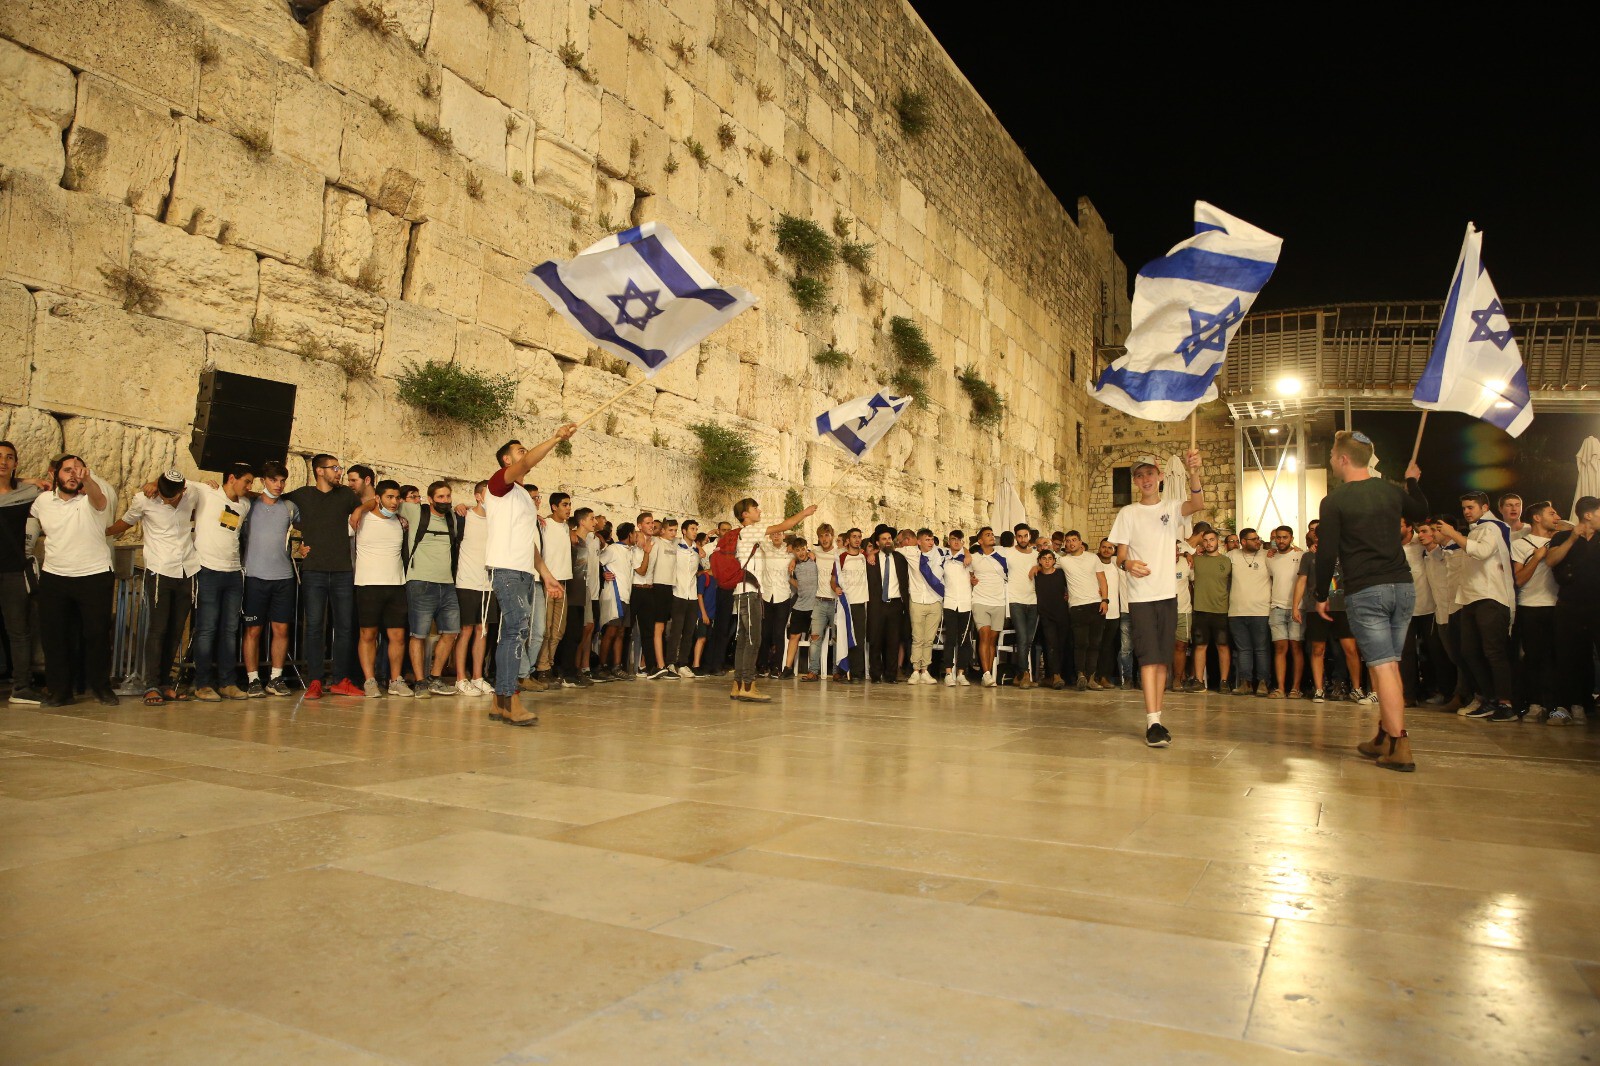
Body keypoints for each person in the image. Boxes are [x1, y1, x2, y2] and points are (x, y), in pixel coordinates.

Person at [1313, 430, 1428, 770]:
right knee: (1389, 664)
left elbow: (1327, 553)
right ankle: (1382, 735)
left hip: (1367, 590)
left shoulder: (1334, 500)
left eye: (1333, 456)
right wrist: (1412, 481)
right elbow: (1421, 509)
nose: (1332, 461)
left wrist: (1322, 594)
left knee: (1383, 666)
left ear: (1344, 459)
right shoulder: (1391, 490)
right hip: (1402, 587)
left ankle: (1399, 743)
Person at [1109, 451, 1206, 746]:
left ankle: (1158, 719)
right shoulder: (1128, 513)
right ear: (1136, 481)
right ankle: (1152, 722)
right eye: (1139, 475)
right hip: (1141, 597)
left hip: (1168, 595)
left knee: (1162, 659)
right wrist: (1128, 565)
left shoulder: (1172, 507)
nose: (1145, 479)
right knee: (1148, 658)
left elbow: (1198, 503)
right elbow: (1120, 555)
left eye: (1150, 473)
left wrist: (1193, 472)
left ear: (1160, 476)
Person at [483, 432, 571, 725]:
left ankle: (499, 701)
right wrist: (556, 438)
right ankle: (511, 698)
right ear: (507, 461)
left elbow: (527, 542)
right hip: (506, 569)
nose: (526, 454)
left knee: (513, 632)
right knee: (515, 632)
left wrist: (546, 574)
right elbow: (527, 463)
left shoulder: (522, 496)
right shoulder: (499, 484)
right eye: (520, 451)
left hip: (523, 570)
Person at [31, 455, 117, 706]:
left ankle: (101, 688)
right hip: (55, 576)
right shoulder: (43, 501)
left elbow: (99, 500)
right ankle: (59, 690)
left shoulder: (92, 498)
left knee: (97, 634)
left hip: (94, 575)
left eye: (78, 470)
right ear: (55, 474)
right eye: (67, 470)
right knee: (54, 636)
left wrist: (87, 480)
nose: (73, 475)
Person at [105, 469, 195, 705]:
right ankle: (151, 684)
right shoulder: (144, 499)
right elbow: (126, 522)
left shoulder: (191, 493)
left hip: (187, 570)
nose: (164, 500)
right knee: (158, 629)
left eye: (170, 497)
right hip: (159, 571)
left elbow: (208, 488)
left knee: (176, 630)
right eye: (163, 494)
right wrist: (101, 532)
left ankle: (165, 682)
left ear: (182, 490)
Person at [1431, 491, 1517, 721]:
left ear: (1484, 507)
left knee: (1494, 652)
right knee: (1468, 652)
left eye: (1471, 507)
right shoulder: (1476, 530)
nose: (1467, 512)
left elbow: (1481, 552)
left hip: (1491, 598)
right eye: (1464, 508)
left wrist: (1453, 534)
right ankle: (1488, 698)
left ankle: (1505, 703)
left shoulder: (1493, 527)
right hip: (1469, 599)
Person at [286, 455, 363, 700]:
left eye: (339, 468)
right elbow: (270, 500)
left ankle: (341, 679)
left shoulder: (346, 496)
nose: (339, 472)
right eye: (335, 468)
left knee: (344, 627)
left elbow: (371, 502)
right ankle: (315, 680)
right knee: (315, 628)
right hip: (314, 570)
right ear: (320, 471)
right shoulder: (303, 494)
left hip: (341, 570)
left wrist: (360, 508)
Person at [724, 496, 816, 702]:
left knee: (743, 640)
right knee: (753, 639)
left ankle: (738, 685)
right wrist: (805, 513)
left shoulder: (743, 534)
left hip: (743, 591)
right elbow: (784, 525)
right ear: (745, 514)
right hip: (749, 592)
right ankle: (748, 685)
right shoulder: (749, 530)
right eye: (755, 508)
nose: (759, 510)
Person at [190, 463, 254, 702]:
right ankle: (203, 682)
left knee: (230, 630)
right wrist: (154, 484)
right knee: (206, 628)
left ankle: (227, 681)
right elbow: (174, 483)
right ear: (231, 477)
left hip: (233, 572)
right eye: (246, 482)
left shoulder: (245, 504)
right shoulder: (207, 492)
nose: (249, 487)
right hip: (208, 569)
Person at [238, 461, 299, 698]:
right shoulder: (248, 505)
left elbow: (309, 528)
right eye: (274, 480)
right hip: (254, 576)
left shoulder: (290, 507)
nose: (279, 485)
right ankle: (253, 679)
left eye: (282, 480)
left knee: (281, 629)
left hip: (283, 577)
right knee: (253, 629)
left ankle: (275, 677)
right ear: (264, 480)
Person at [400, 481, 462, 698]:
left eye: (448, 496)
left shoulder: (452, 517)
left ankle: (435, 678)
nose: (445, 501)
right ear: (430, 499)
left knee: (452, 631)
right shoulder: (415, 511)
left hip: (447, 584)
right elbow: (384, 502)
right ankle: (419, 682)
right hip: (420, 582)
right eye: (440, 497)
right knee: (419, 634)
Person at [351, 480, 411, 698]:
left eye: (397, 497)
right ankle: (370, 680)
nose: (394, 502)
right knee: (368, 634)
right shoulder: (362, 518)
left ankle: (395, 680)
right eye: (389, 497)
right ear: (378, 498)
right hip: (368, 584)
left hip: (396, 585)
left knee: (398, 635)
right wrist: (361, 507)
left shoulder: (401, 521)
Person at [1543, 496, 1600, 725]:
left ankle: (1586, 704)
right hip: (1569, 605)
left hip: (1598, 606)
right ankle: (1566, 706)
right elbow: (1551, 561)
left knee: (1591, 658)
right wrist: (1573, 537)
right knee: (1568, 657)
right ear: (1588, 515)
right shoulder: (1563, 536)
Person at [1510, 501, 1561, 721]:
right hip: (1531, 606)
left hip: (1559, 606)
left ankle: (1556, 706)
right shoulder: (1520, 544)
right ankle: (1534, 703)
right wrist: (1538, 557)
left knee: (1556, 658)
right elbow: (1518, 579)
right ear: (1537, 518)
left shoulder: (1561, 541)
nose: (1557, 516)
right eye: (1552, 513)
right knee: (1534, 657)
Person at [0, 442, 42, 703]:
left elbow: (50, 486)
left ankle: (22, 686)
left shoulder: (26, 494)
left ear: (16, 463)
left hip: (13, 571)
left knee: (19, 631)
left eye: (9, 458)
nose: (3, 462)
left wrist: (27, 479)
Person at [452, 481, 494, 696]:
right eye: (488, 494)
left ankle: (478, 676)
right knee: (466, 630)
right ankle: (461, 678)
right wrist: (462, 506)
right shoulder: (464, 517)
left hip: (489, 583)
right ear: (478, 496)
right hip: (467, 582)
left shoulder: (497, 521)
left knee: (482, 630)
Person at [1225, 528, 1272, 696]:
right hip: (1237, 611)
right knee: (1243, 649)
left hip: (1261, 611)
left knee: (1261, 649)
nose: (1257, 541)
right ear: (1243, 541)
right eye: (1253, 539)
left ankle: (1262, 683)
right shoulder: (1232, 556)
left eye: (1258, 538)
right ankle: (1245, 683)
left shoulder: (1268, 555)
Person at [534, 492, 575, 684]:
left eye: (569, 504)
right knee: (546, 627)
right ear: (554, 507)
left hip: (564, 582)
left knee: (559, 629)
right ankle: (541, 667)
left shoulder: (567, 527)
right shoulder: (544, 524)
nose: (568, 508)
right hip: (548, 581)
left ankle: (549, 665)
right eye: (564, 504)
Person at [1057, 530, 1107, 690]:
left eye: (1074, 540)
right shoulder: (1063, 561)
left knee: (1095, 643)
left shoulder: (1093, 558)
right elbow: (1046, 562)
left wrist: (1105, 600)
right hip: (1077, 607)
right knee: (1080, 643)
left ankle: (1092, 677)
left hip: (1096, 604)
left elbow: (1102, 580)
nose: (1071, 543)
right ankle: (1081, 675)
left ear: (1080, 542)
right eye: (1068, 541)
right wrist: (1035, 568)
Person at [865, 525, 910, 683]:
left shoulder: (900, 558)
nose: (888, 541)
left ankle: (891, 675)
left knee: (893, 641)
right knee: (876, 640)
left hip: (896, 604)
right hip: (877, 604)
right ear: (878, 543)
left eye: (890, 538)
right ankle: (876, 675)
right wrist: (871, 553)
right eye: (884, 539)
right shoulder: (871, 560)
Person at [1265, 525, 1305, 698]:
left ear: (1291, 538)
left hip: (1298, 608)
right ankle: (1280, 688)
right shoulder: (1270, 558)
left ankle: (1296, 688)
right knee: (1280, 648)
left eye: (1285, 537)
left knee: (1296, 647)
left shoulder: (1300, 555)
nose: (1281, 541)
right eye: (1278, 538)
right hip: (1277, 608)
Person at [1188, 530, 1230, 693]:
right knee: (1200, 646)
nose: (1208, 543)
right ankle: (1198, 680)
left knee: (1223, 646)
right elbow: (1183, 548)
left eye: (1212, 540)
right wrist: (1188, 552)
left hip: (1221, 610)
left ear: (1217, 541)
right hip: (1200, 610)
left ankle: (1224, 681)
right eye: (1205, 540)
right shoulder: (1195, 560)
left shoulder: (1227, 561)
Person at [998, 523, 1039, 688]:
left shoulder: (1036, 555)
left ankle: (1019, 675)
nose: (1023, 539)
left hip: (1034, 601)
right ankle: (1025, 674)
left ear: (1030, 536)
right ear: (1016, 537)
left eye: (1025, 536)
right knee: (1022, 638)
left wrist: (1038, 565)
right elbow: (986, 556)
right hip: (1015, 601)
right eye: (1020, 536)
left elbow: (1054, 561)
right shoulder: (1008, 552)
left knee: (1028, 640)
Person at [901, 529, 944, 685]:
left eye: (932, 539)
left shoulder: (940, 552)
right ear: (918, 541)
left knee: (929, 639)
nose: (930, 542)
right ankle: (915, 670)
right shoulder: (910, 552)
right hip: (918, 600)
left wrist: (966, 554)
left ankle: (925, 670)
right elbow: (892, 547)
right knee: (917, 638)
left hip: (934, 601)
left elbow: (960, 550)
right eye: (927, 540)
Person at [969, 527, 1008, 687]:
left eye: (992, 534)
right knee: (984, 636)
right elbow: (966, 571)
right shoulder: (973, 557)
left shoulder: (1003, 554)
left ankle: (990, 673)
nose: (992, 537)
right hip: (980, 600)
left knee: (993, 640)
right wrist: (971, 579)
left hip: (999, 601)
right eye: (987, 535)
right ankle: (985, 673)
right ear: (980, 541)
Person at [830, 527, 868, 683]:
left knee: (858, 639)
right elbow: (833, 579)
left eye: (859, 537)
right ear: (848, 540)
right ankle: (843, 670)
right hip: (846, 604)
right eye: (854, 537)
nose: (857, 539)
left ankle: (857, 674)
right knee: (845, 639)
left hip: (860, 603)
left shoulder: (865, 556)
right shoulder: (841, 558)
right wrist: (835, 588)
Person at [666, 518, 702, 677]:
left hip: (692, 595)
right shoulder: (675, 545)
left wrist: (700, 548)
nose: (694, 532)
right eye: (692, 529)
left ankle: (683, 663)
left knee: (689, 631)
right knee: (676, 631)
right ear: (684, 531)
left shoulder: (697, 551)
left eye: (696, 529)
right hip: (678, 593)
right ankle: (670, 663)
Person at [939, 529, 974, 686]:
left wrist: (967, 554)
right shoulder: (943, 557)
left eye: (959, 540)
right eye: (953, 539)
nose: (956, 542)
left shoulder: (969, 559)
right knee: (950, 639)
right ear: (948, 541)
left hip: (966, 603)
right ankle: (948, 672)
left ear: (963, 542)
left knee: (965, 639)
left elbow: (975, 575)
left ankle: (961, 672)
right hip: (950, 602)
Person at [806, 524, 839, 682]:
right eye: (821, 536)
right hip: (819, 601)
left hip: (835, 602)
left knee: (837, 638)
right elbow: (799, 554)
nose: (824, 539)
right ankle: (813, 671)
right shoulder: (815, 552)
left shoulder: (838, 553)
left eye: (827, 535)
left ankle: (837, 671)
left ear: (832, 536)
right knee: (815, 638)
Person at [1033, 548, 1070, 688]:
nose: (1047, 561)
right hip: (1046, 616)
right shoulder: (1037, 575)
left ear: (1054, 560)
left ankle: (1056, 675)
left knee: (1061, 645)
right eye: (1044, 558)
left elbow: (1072, 588)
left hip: (1062, 615)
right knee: (1051, 645)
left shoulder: (1061, 574)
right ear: (1039, 561)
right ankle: (1056, 676)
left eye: (1050, 558)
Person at [782, 536, 816, 679]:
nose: (801, 553)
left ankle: (813, 670)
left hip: (815, 606)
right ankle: (788, 668)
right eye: (798, 551)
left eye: (803, 549)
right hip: (800, 606)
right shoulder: (794, 565)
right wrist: (793, 562)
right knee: (794, 636)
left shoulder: (815, 561)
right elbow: (793, 581)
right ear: (794, 552)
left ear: (806, 548)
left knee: (815, 637)